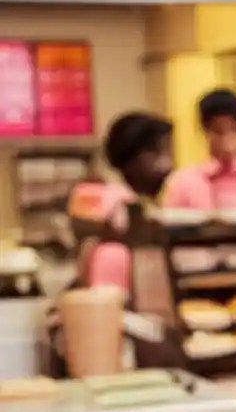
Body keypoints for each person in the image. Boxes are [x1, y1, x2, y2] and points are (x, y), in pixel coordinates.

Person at [67, 111, 175, 291]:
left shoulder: (137, 202)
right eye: (159, 154)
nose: (168, 165)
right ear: (133, 157)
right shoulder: (118, 203)